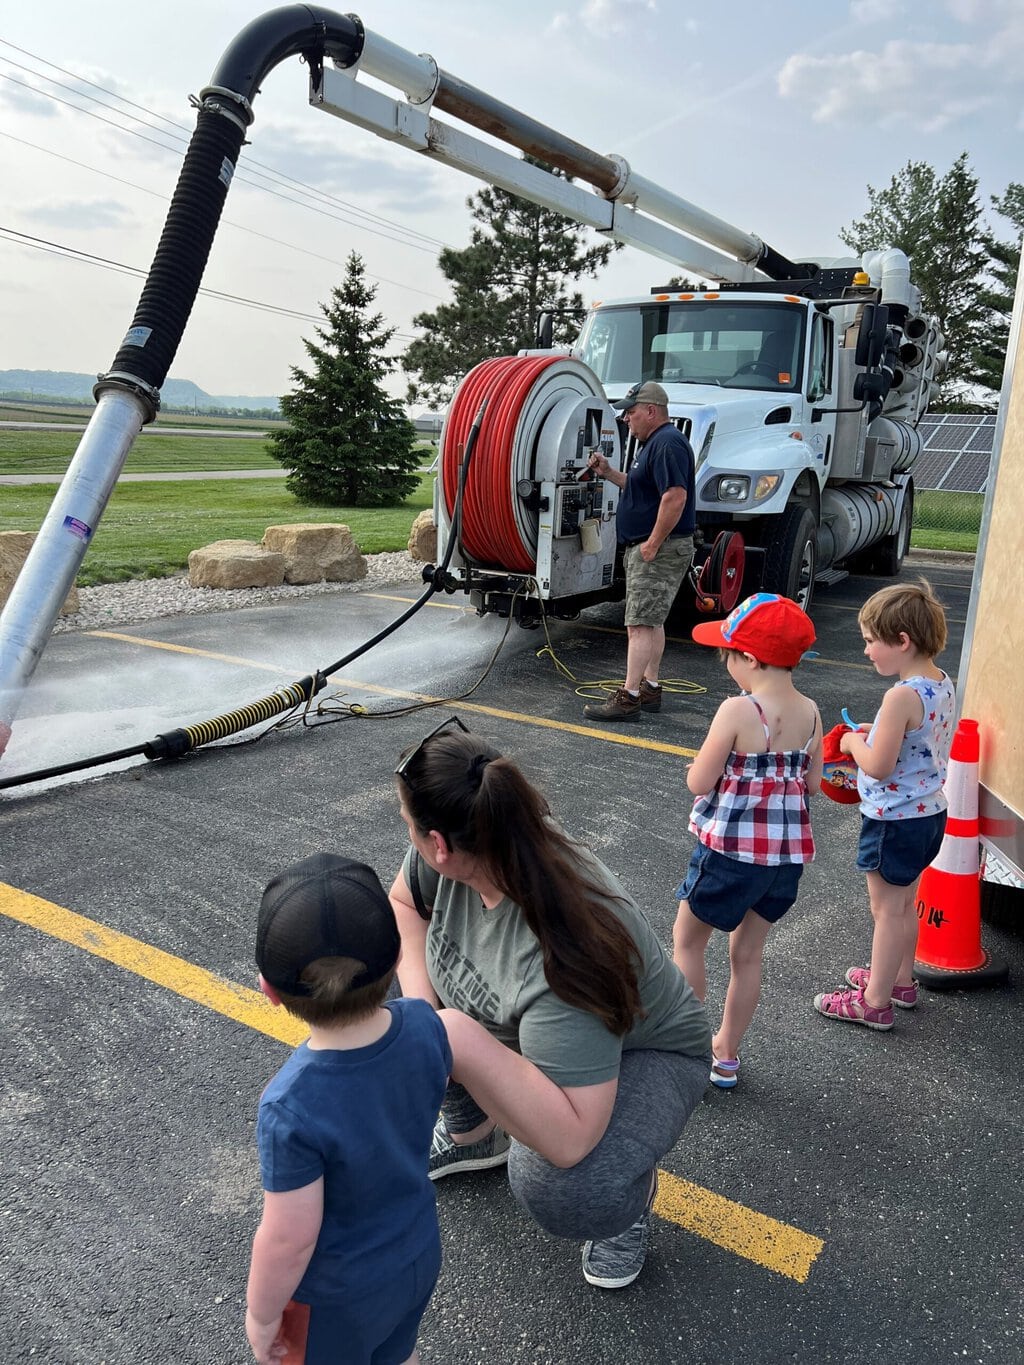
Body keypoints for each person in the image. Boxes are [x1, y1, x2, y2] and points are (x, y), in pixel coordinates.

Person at [388, 715, 711, 1291]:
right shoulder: (482, 833)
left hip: (645, 1052)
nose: (407, 836)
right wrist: (425, 1013)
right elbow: (403, 906)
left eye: (408, 825)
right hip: (530, 1024)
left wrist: (450, 1040)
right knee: (386, 980)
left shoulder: (568, 951)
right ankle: (473, 1135)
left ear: (438, 845)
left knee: (564, 1186)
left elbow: (569, 1139)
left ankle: (629, 1199)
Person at [246, 853, 451, 1365]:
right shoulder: (426, 1025)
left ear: (269, 991)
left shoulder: (289, 1107)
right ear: (397, 955)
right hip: (416, 1255)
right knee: (395, 1352)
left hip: (337, 1299)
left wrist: (262, 1315)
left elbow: (289, 1239)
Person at [671, 594, 822, 1088]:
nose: (727, 665)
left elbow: (699, 781)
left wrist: (701, 770)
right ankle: (727, 1054)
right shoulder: (812, 712)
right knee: (748, 956)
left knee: (688, 943)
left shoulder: (738, 709)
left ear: (750, 659)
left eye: (728, 655)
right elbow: (813, 785)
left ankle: (684, 1047)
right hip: (783, 863)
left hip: (729, 856)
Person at [814, 580, 955, 1030]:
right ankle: (898, 980)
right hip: (929, 814)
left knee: (886, 911)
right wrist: (877, 731)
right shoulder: (940, 683)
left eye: (871, 641)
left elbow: (876, 766)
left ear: (902, 640)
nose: (866, 650)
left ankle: (874, 1002)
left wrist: (853, 743)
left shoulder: (900, 695)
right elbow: (917, 738)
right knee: (905, 903)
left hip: (894, 820)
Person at [583, 380, 695, 721]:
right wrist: (608, 473)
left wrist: (652, 544)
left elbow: (675, 496)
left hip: (657, 549)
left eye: (630, 412)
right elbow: (641, 488)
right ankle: (650, 687)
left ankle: (629, 697)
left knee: (639, 625)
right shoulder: (655, 444)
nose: (626, 419)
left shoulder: (667, 444)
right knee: (652, 620)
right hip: (653, 547)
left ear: (651, 410)